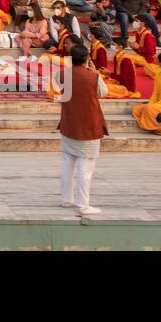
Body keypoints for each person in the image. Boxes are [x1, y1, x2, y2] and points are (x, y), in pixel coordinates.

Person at [58, 44, 108, 216]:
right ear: (87, 59)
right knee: (85, 168)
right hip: (89, 126)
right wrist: (94, 72)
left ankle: (66, 199)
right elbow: (103, 92)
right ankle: (83, 204)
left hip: (69, 123)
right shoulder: (93, 77)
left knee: (67, 164)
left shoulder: (62, 74)